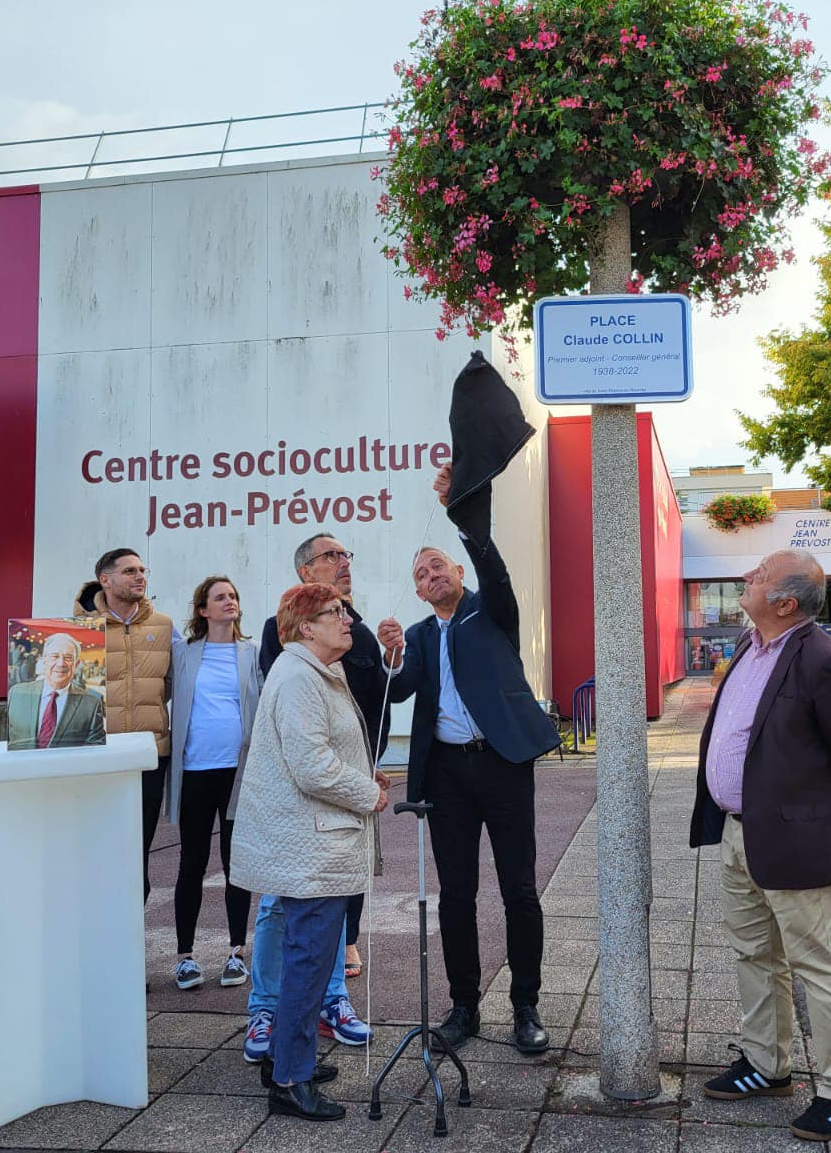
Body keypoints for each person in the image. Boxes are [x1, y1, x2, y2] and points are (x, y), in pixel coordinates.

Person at [688, 550, 831, 1141]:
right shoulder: (752, 645)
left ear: (786, 602)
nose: (747, 577)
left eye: (760, 575)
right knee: (754, 954)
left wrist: (811, 814)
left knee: (821, 965)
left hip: (794, 840)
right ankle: (767, 1065)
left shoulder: (825, 660)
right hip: (738, 834)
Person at [376, 462, 559, 1056]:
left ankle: (526, 1006)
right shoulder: (421, 636)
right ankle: (463, 1006)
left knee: (519, 893)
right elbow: (398, 692)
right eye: (420, 574)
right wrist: (392, 656)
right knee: (455, 894)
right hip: (448, 775)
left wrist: (465, 512)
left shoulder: (491, 611)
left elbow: (495, 571)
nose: (430, 574)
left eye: (437, 565)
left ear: (457, 572)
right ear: (419, 592)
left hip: (503, 765)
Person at [231, 583, 390, 1122]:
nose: (346, 620)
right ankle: (290, 1080)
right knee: (307, 961)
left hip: (312, 841)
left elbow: (324, 753)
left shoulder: (313, 670)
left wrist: (361, 772)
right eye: (334, 613)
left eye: (343, 611)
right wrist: (369, 793)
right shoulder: (301, 676)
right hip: (313, 845)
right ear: (304, 626)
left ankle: (283, 1056)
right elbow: (312, 766)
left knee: (308, 957)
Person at [167, 575, 263, 991]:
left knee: (235, 864)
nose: (230, 601)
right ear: (202, 610)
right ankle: (185, 957)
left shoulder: (252, 653)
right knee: (191, 862)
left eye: (234, 596)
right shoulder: (182, 653)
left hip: (238, 772)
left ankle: (236, 953)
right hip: (194, 770)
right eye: (220, 597)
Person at [74, 548, 173, 902]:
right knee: (99, 844)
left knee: (139, 847)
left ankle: (131, 932)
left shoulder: (163, 626)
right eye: (130, 571)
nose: (140, 576)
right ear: (106, 579)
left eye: (142, 570)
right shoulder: (80, 629)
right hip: (100, 754)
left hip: (149, 754)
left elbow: (173, 682)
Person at [4, 632, 105, 750]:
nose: (61, 663)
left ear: (76, 664)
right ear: (44, 660)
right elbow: (3, 741)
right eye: (55, 656)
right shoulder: (16, 694)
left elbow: (95, 753)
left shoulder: (91, 704)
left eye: (68, 658)